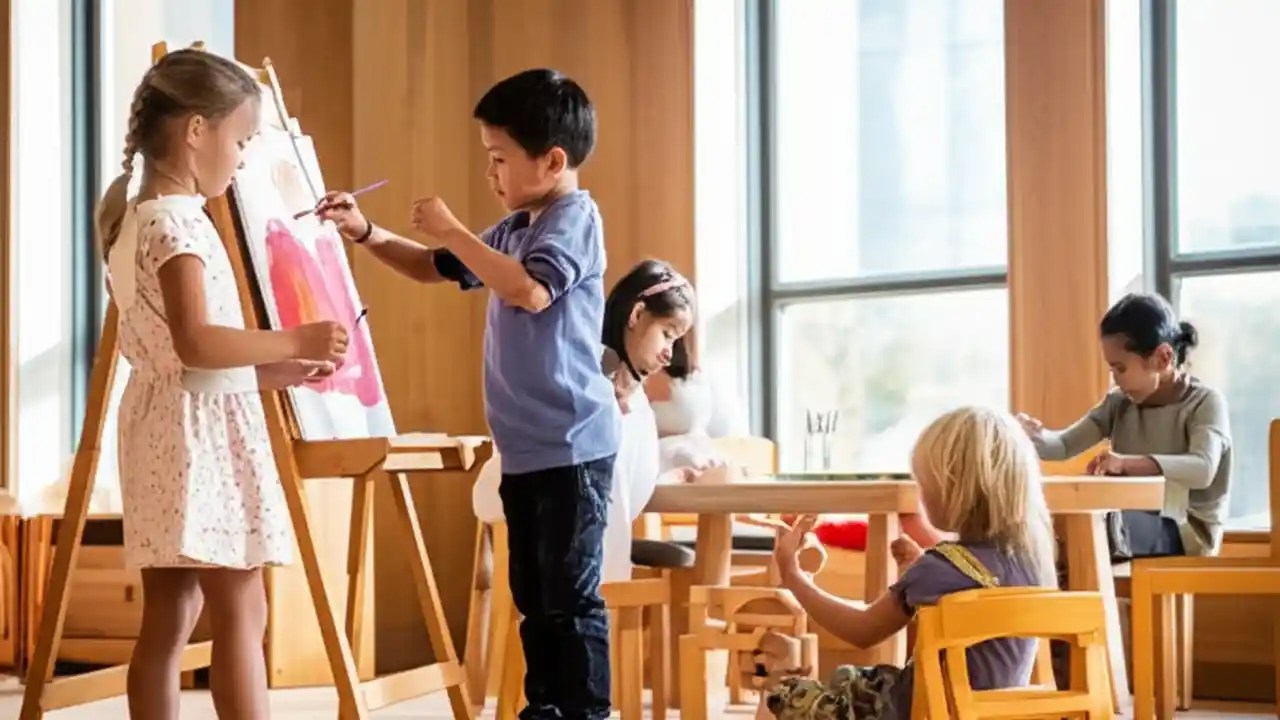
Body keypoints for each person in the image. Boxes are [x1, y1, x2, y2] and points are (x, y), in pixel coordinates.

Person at [317, 68, 620, 720]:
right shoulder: (514, 229)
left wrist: (453, 229)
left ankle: (586, 712)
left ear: (553, 159)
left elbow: (530, 291)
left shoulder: (573, 219)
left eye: (499, 159)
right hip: (527, 448)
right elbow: (433, 268)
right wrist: (365, 232)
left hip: (572, 444)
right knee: (534, 595)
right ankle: (547, 708)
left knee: (570, 597)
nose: (491, 174)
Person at [96, 49, 349, 719]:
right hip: (200, 437)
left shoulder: (135, 219)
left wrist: (275, 369)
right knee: (243, 607)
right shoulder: (177, 222)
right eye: (239, 140)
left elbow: (184, 354)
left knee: (171, 612)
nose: (240, 160)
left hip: (163, 427)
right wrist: (295, 337)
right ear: (196, 131)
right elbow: (197, 342)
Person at [763, 407, 1057, 720]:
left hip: (920, 711)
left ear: (951, 490)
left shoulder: (937, 570)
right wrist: (920, 566)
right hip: (989, 713)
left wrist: (793, 576)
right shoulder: (1032, 564)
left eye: (923, 484)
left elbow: (861, 630)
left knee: (778, 699)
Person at [1016, 292, 1232, 560]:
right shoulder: (1119, 402)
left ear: (1163, 358)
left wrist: (1126, 464)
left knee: (1093, 533)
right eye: (1111, 370)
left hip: (1185, 529)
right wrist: (1025, 435)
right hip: (1127, 520)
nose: (1116, 380)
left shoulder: (1205, 402)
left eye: (1121, 368)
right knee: (1057, 532)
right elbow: (1062, 446)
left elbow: (1202, 468)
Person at [599, 260, 700, 582]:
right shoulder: (589, 383)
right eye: (667, 334)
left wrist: (671, 464)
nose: (669, 353)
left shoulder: (636, 397)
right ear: (637, 314)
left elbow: (631, 476)